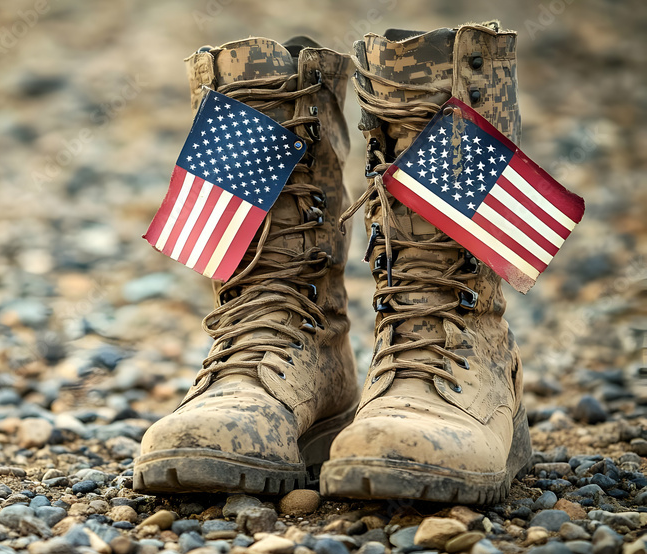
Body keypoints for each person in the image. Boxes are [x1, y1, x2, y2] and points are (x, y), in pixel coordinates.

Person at [134, 22, 531, 505]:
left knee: (427, 124)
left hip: (465, 356)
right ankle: (292, 340)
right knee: (250, 92)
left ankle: (465, 346)